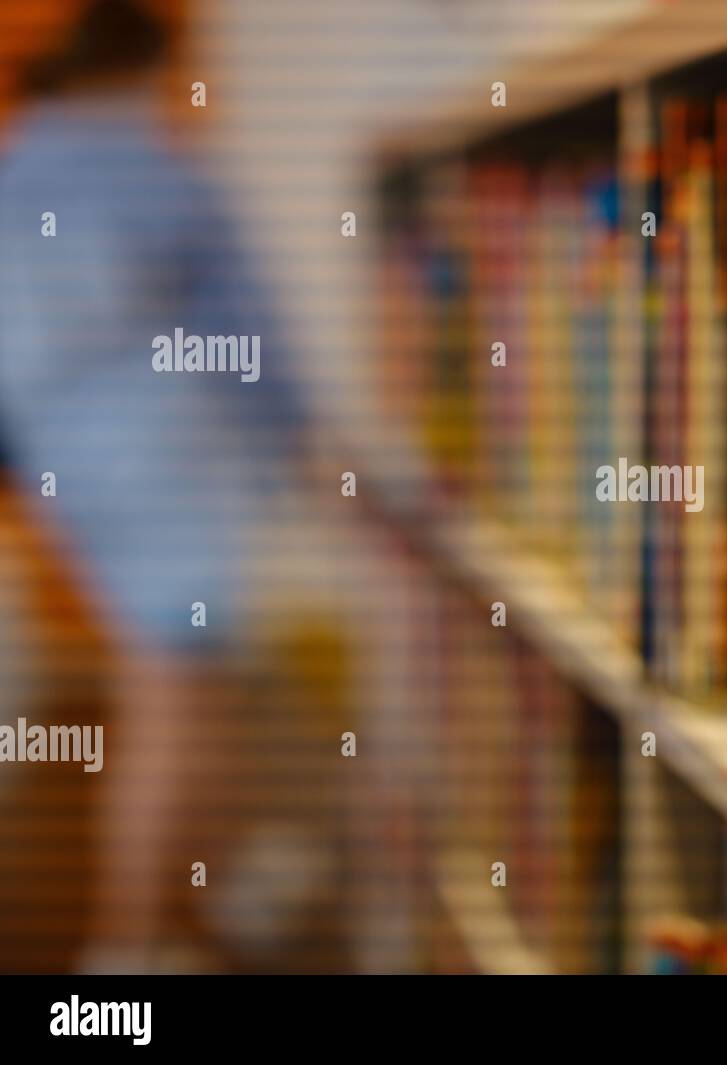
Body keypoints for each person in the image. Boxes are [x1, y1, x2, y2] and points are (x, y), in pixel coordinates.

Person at [0, 0, 339, 969]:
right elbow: (252, 340)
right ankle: (127, 947)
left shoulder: (15, 172)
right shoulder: (161, 174)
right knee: (175, 701)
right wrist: (306, 447)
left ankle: (216, 891)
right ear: (146, 67)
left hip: (70, 467)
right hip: (174, 462)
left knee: (197, 688)